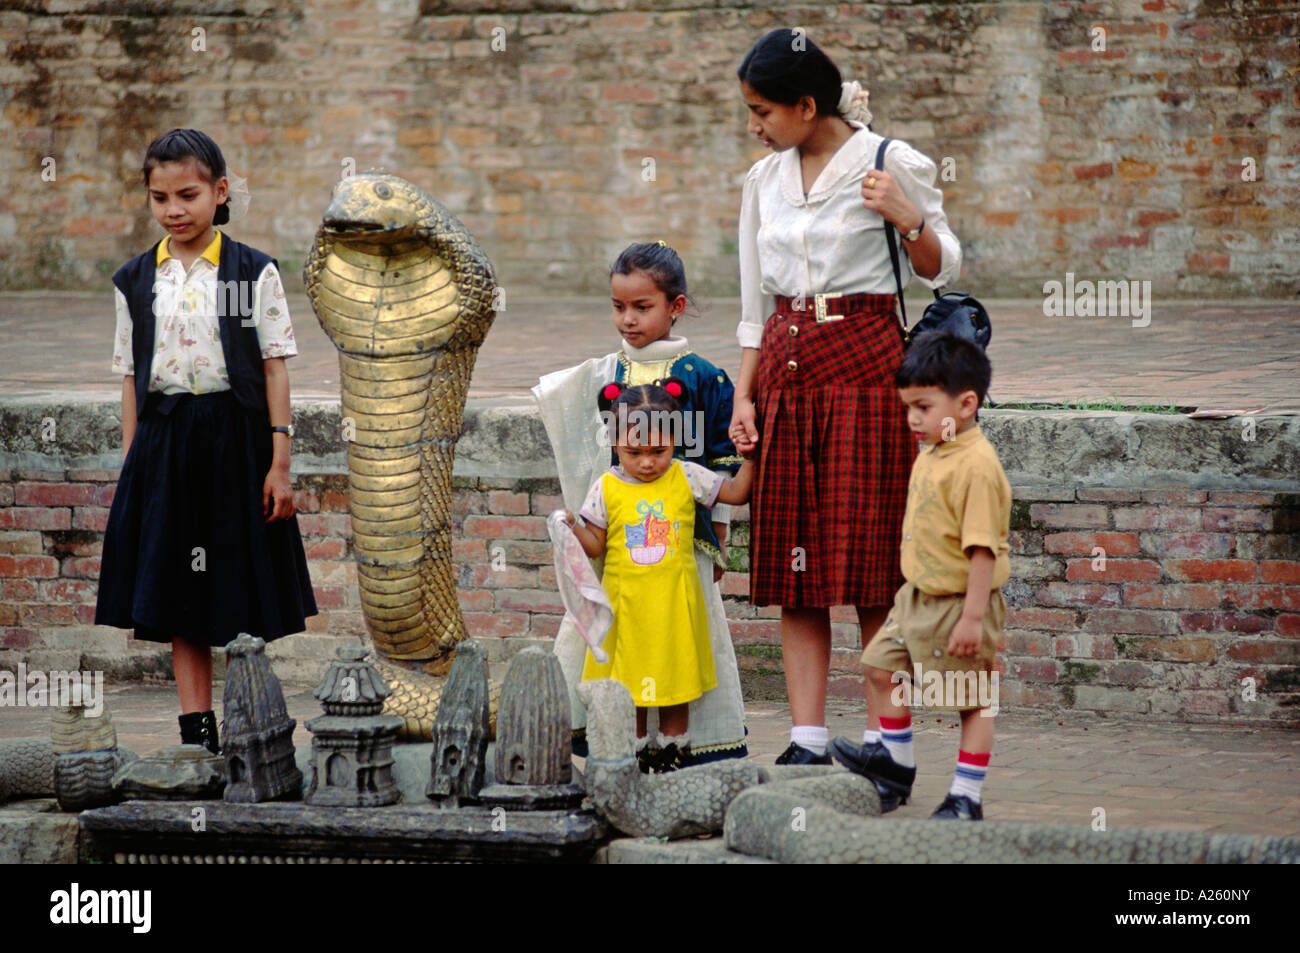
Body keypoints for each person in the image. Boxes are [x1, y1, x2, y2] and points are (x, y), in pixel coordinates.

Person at [729, 29, 963, 764]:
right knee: (796, 570)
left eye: (763, 110)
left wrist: (906, 215)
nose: (755, 126)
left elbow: (942, 268)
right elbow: (752, 302)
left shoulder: (890, 162)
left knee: (869, 570)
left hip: (866, 366)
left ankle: (885, 743)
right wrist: (744, 396)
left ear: (807, 104)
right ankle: (805, 737)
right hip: (786, 370)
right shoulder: (761, 181)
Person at [94, 128, 316, 754]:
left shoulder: (254, 273)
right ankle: (197, 737)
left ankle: (254, 728)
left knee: (242, 582)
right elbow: (132, 379)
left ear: (219, 193)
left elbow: (275, 366)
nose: (175, 209)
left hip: (237, 441)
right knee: (176, 595)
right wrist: (133, 463)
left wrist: (279, 461)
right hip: (164, 446)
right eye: (160, 198)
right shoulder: (136, 281)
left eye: (188, 194)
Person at [533, 241, 750, 767]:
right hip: (620, 539)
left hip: (683, 541)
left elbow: (718, 464)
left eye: (641, 307)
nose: (627, 319)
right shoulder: (609, 375)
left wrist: (717, 535)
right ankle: (614, 739)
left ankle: (687, 746)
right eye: (618, 306)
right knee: (619, 638)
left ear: (675, 307)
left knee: (683, 638)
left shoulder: (704, 377)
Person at [829, 331, 1010, 820]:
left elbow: (982, 551)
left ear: (967, 403)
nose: (912, 418)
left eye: (924, 407)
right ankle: (895, 766)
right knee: (879, 667)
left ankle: (966, 797)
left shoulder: (976, 466)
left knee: (968, 700)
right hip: (915, 598)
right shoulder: (933, 450)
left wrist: (972, 619)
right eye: (908, 406)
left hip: (959, 603)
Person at [565, 381, 755, 771]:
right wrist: (571, 528)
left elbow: (736, 494)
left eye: (659, 451)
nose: (648, 463)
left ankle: (673, 758)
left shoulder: (686, 477)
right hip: (625, 612)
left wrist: (750, 455)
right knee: (627, 687)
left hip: (674, 611)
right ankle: (631, 759)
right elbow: (596, 546)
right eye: (635, 452)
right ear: (615, 443)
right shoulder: (606, 488)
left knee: (675, 684)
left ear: (676, 441)